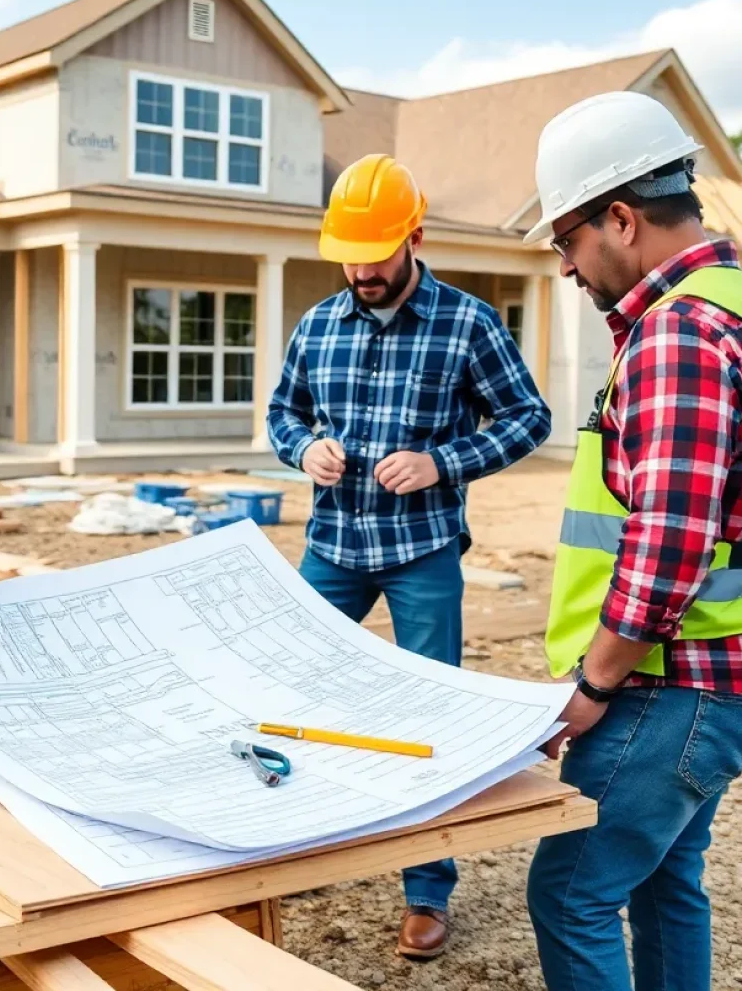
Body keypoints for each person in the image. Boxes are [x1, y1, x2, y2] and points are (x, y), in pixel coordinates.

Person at [267, 153, 552, 958]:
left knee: (429, 715)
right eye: (348, 255)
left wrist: (443, 462)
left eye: (375, 253)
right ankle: (287, 842)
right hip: (333, 547)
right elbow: (282, 413)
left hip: (422, 551)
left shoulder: (469, 324)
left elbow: (528, 417)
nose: (361, 270)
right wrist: (304, 448)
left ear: (414, 237)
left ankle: (427, 891)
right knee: (286, 687)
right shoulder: (318, 324)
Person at [524, 91, 742, 991]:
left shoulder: (678, 336)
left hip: (668, 685)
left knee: (571, 893)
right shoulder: (727, 305)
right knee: (666, 884)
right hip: (712, 680)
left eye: (567, 242)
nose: (569, 269)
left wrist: (594, 679)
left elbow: (671, 541)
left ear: (619, 218)